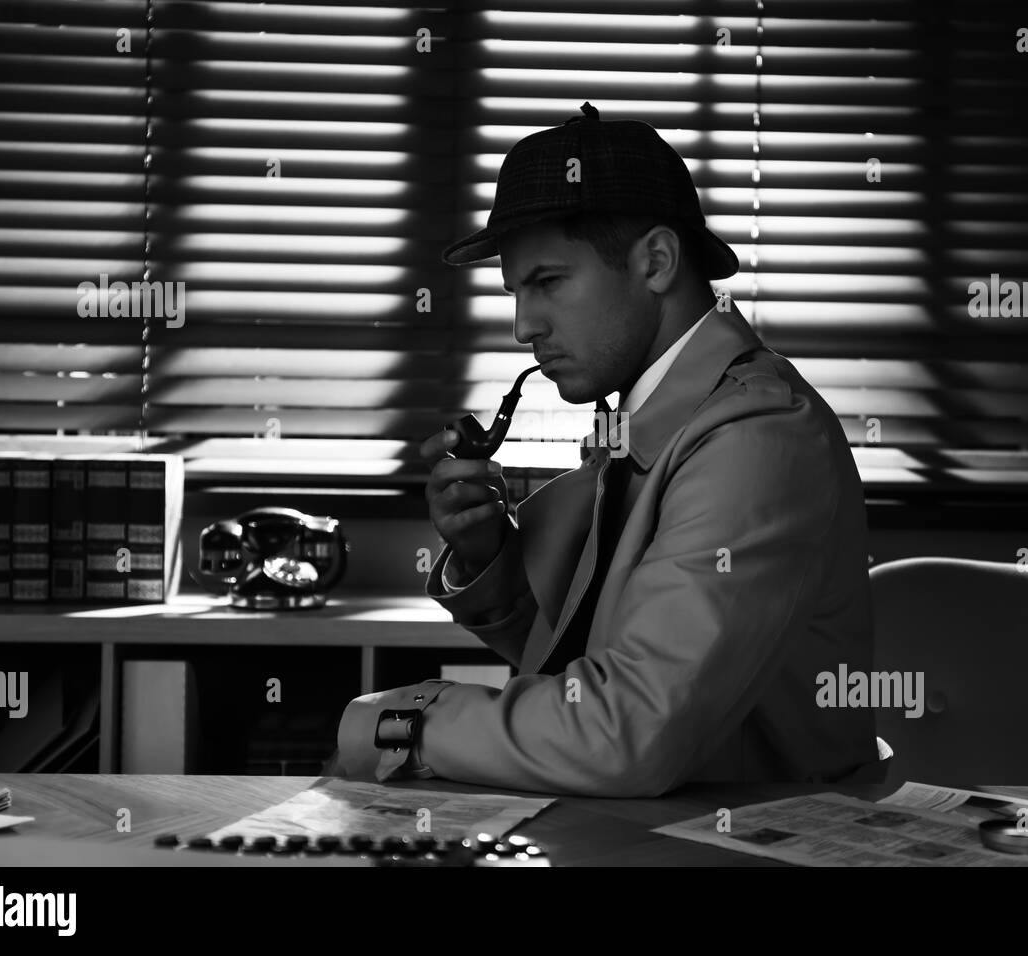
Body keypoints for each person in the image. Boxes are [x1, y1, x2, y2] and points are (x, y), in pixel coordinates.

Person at [334, 103, 881, 797]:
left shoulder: (756, 439)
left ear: (655, 262)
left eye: (548, 283)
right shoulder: (648, 420)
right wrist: (488, 559)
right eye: (515, 292)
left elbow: (627, 731)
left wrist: (394, 725)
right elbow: (586, 666)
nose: (522, 326)